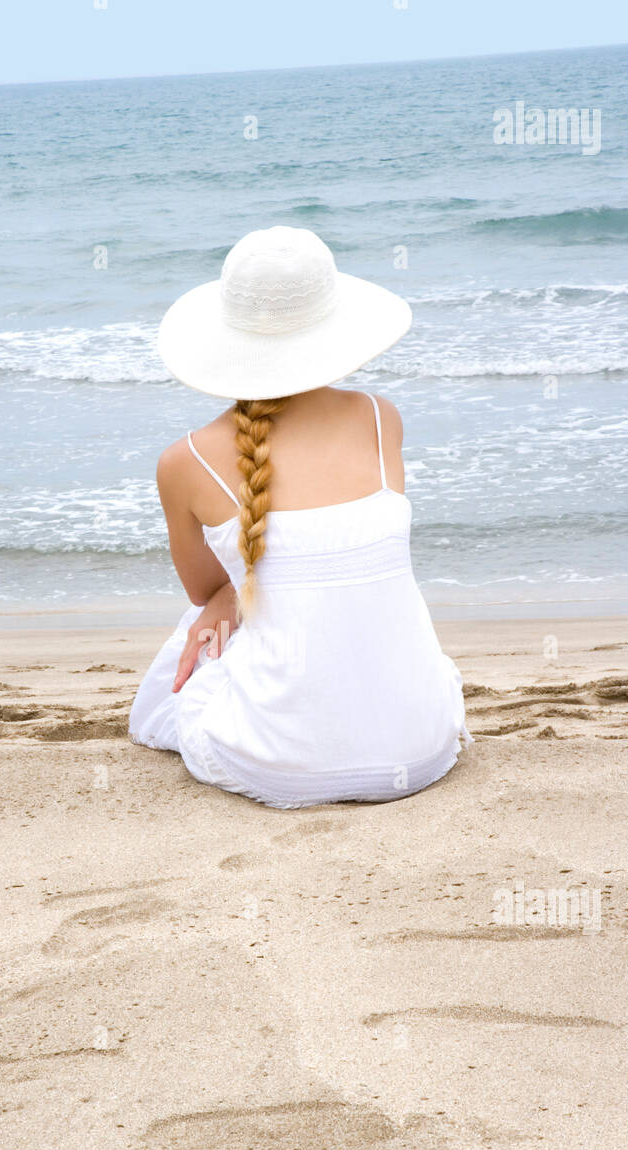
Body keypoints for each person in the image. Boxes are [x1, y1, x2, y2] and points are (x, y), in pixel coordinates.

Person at [129, 226, 471, 808]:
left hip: (278, 765)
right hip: (421, 747)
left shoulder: (183, 462)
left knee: (207, 631)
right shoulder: (379, 418)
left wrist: (224, 596)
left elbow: (205, 591)